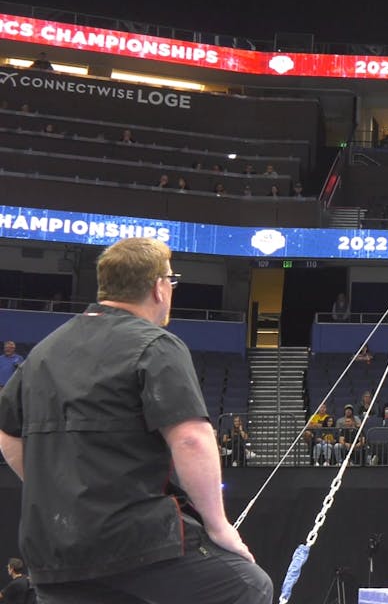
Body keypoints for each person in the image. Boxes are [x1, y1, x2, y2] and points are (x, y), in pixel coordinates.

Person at [0, 237, 271, 603]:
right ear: (159, 287)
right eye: (171, 281)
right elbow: (192, 439)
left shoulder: (45, 350)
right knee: (248, 585)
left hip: (54, 552)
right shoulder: (156, 345)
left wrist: (59, 491)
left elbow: (7, 432)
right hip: (136, 542)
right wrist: (219, 526)